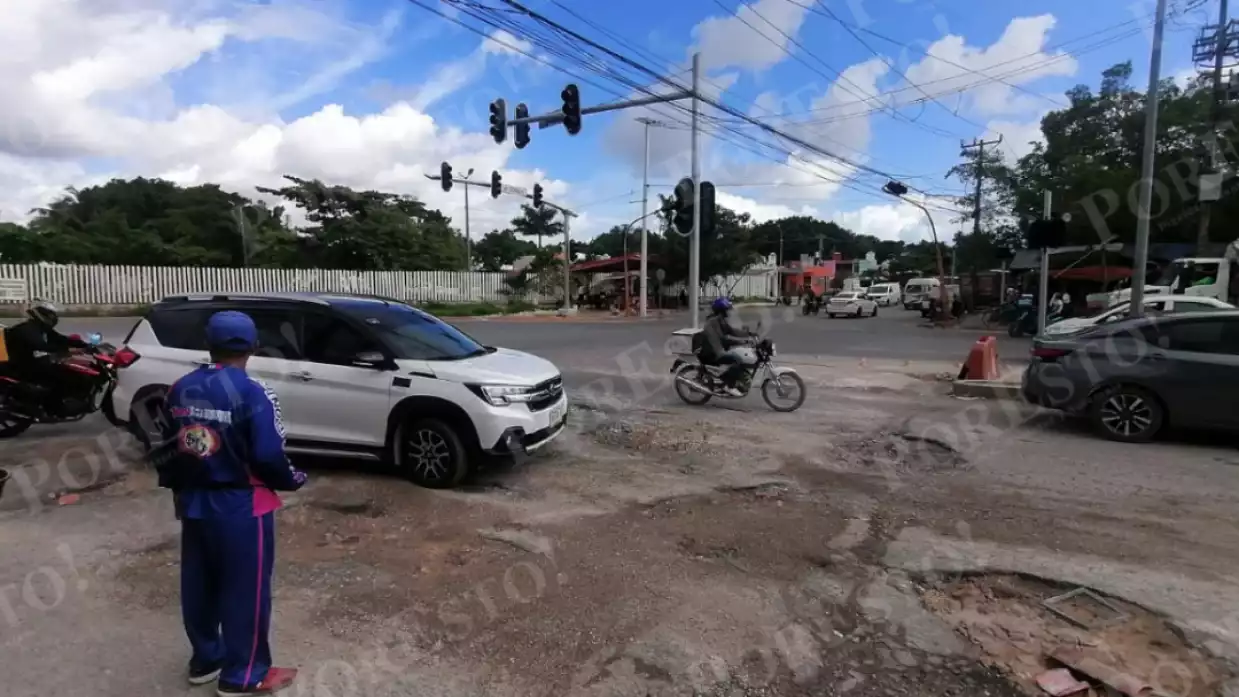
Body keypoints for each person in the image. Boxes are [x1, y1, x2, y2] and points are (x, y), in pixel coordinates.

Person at [151, 310, 307, 696]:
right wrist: (291, 480)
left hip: (193, 500)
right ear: (253, 347)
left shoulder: (180, 387)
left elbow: (169, 447)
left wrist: (177, 490)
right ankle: (245, 674)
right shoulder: (254, 393)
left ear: (209, 345)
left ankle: (206, 658)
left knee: (199, 583)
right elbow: (269, 455)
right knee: (246, 590)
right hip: (241, 506)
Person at [1, 300, 92, 414]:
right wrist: (68, 350)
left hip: (31, 362)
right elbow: (40, 345)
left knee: (64, 368)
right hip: (22, 366)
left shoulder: (41, 328)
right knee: (63, 375)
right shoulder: (27, 329)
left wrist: (86, 345)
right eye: (51, 315)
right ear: (43, 315)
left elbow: (60, 339)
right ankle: (56, 407)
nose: (54, 318)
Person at [699, 297, 754, 396]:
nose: (728, 312)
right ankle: (729, 386)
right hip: (712, 353)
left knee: (739, 356)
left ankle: (735, 379)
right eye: (727, 310)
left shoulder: (720, 321)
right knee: (737, 360)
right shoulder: (712, 322)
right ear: (721, 311)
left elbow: (732, 331)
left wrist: (749, 334)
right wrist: (743, 341)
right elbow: (724, 339)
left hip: (718, 349)